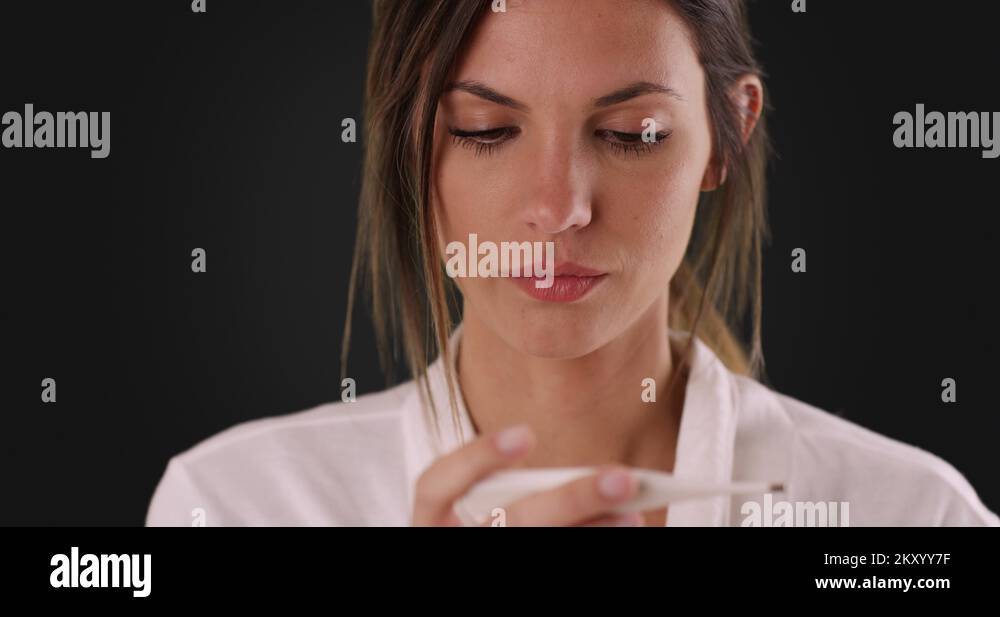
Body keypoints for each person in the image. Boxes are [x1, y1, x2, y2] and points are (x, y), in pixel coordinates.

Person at [146, 0, 999, 527]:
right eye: (486, 131)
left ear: (727, 137)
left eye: (631, 135)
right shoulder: (232, 506)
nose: (558, 207)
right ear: (408, 143)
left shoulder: (910, 520)